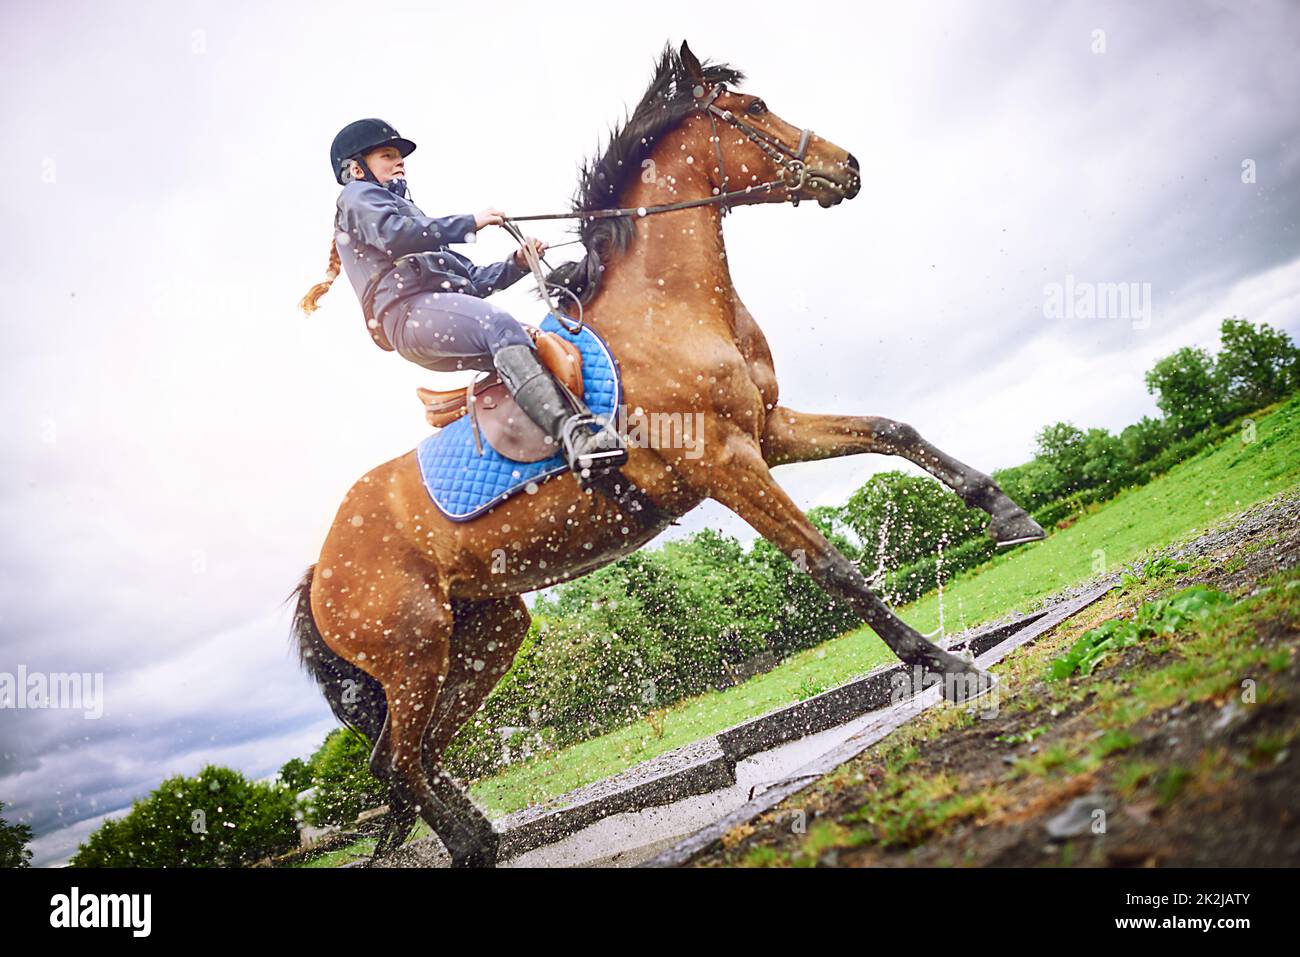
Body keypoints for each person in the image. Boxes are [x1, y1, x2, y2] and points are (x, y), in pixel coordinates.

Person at [299, 118, 626, 474]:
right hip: (408, 315)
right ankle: (573, 436)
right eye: (387, 155)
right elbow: (395, 235)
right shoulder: (356, 196)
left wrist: (517, 263)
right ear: (355, 168)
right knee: (497, 324)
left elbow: (471, 280)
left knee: (534, 341)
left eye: (400, 157)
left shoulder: (412, 216)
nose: (400, 162)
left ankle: (558, 447)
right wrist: (470, 221)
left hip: (433, 314)